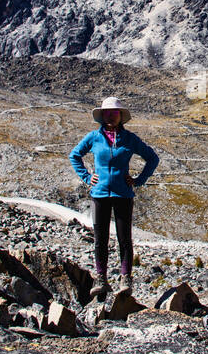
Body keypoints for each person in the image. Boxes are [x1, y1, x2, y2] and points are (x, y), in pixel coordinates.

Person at [68, 96, 159, 299]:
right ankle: (101, 278)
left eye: (114, 113)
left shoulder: (130, 139)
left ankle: (125, 278)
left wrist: (139, 180)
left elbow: (153, 158)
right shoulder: (94, 137)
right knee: (100, 239)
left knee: (124, 239)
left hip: (123, 194)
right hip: (99, 193)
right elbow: (74, 155)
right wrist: (87, 177)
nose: (111, 116)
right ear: (102, 116)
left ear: (120, 116)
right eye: (108, 113)